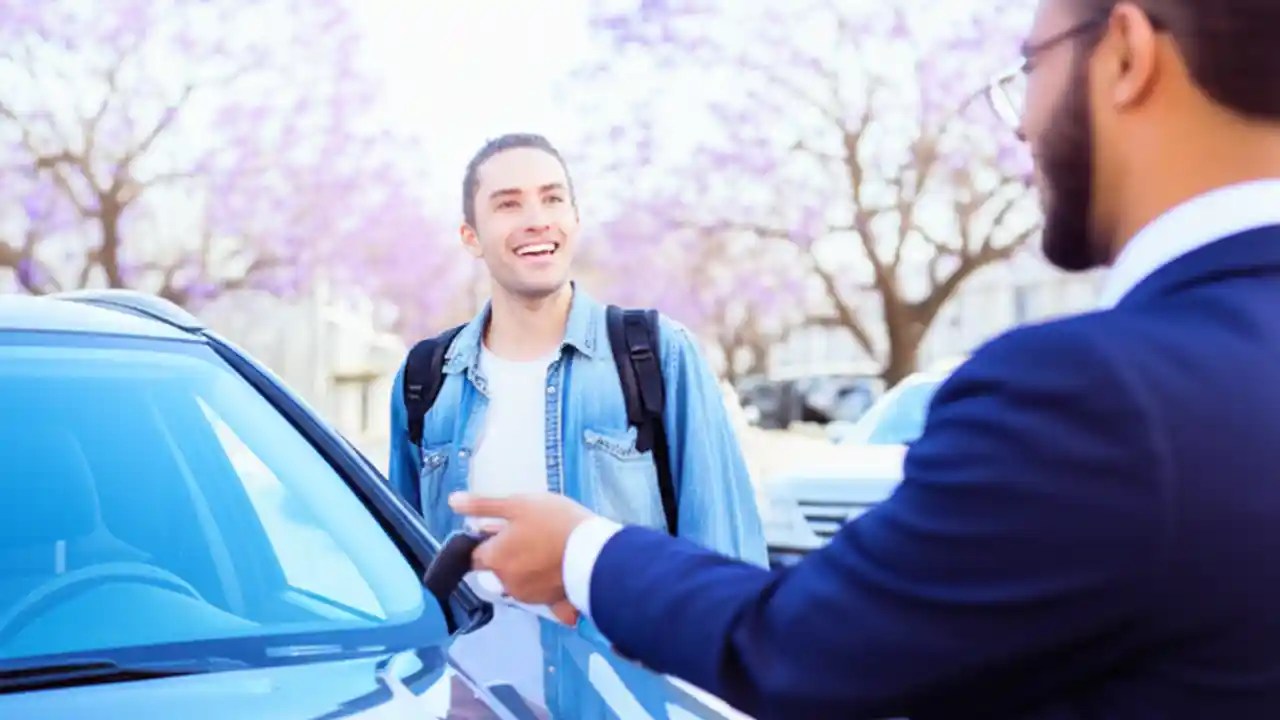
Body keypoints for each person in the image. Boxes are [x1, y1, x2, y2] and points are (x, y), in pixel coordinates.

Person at [449, 1, 1280, 718]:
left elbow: (804, 649)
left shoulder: (1093, 395)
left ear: (1128, 54)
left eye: (1030, 66)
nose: (1021, 119)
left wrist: (582, 552)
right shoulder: (432, 378)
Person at [387, 133, 767, 717]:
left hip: (626, 703)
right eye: (508, 204)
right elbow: (409, 573)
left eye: (552, 198)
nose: (536, 220)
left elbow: (726, 555)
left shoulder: (655, 354)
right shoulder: (425, 379)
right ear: (471, 237)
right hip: (471, 702)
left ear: (575, 218)